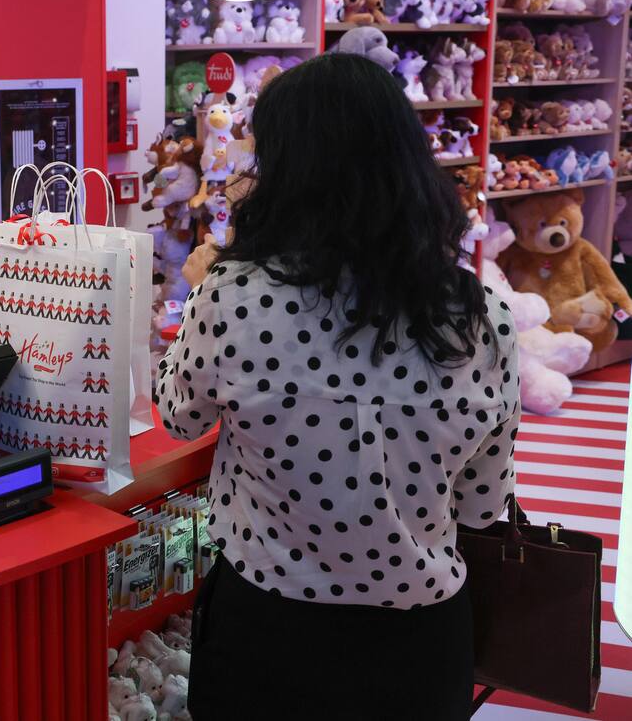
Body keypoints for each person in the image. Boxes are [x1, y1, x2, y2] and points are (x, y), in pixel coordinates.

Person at [156, 54, 520, 721]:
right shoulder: (480, 314)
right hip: (420, 642)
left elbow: (179, 416)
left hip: (265, 634)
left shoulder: (235, 297)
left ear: (287, 173)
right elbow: (481, 505)